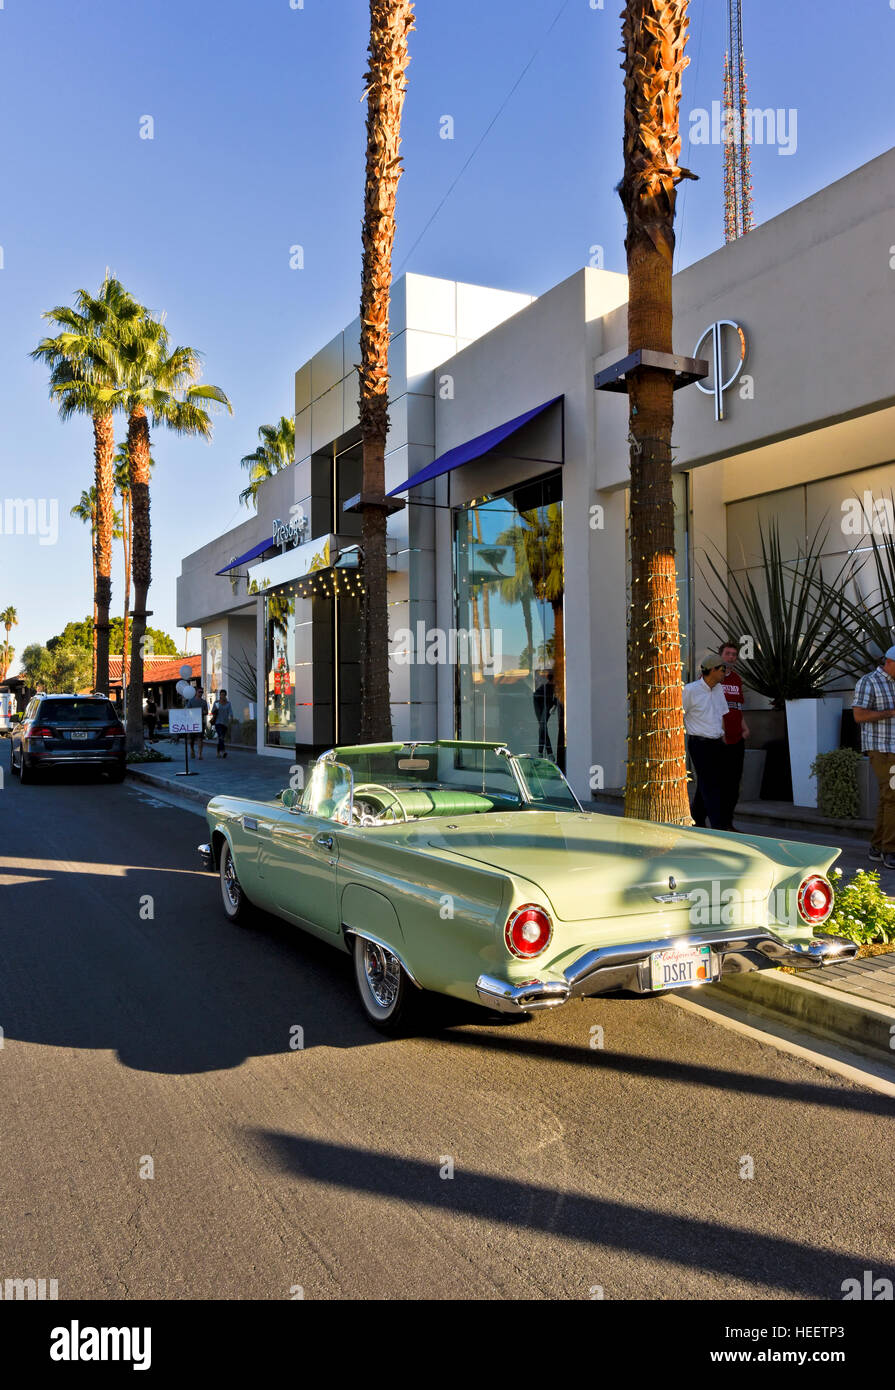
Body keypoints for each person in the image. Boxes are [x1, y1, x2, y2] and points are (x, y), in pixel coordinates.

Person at [691, 641, 751, 831]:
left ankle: (725, 822)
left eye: (734, 654)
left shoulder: (735, 680)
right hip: (712, 739)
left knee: (731, 782)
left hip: (733, 737)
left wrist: (744, 728)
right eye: (728, 654)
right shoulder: (708, 682)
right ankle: (706, 820)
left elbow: (735, 708)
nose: (731, 657)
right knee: (711, 781)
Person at [852, 646, 895, 869]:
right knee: (893, 797)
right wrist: (890, 712)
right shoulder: (869, 682)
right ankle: (890, 850)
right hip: (882, 748)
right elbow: (858, 715)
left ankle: (878, 847)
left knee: (889, 797)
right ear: (889, 662)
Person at [682, 651, 730, 831]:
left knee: (710, 782)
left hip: (717, 742)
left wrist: (723, 737)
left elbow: (722, 714)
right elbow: (679, 714)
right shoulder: (690, 690)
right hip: (699, 743)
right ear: (712, 670)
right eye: (722, 670)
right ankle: (719, 825)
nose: (724, 673)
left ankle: (697, 819)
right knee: (711, 784)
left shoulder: (719, 689)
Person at [187, 685, 208, 761]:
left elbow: (206, 712)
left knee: (200, 739)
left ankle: (200, 754)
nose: (201, 693)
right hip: (192, 722)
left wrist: (203, 712)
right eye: (199, 692)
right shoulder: (191, 701)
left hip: (200, 722)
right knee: (191, 740)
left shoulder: (204, 702)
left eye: (202, 692)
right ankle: (192, 750)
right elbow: (187, 710)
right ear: (196, 692)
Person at [211, 689, 233, 759]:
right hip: (218, 722)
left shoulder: (228, 703)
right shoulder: (216, 703)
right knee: (220, 736)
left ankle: (218, 753)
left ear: (225, 695)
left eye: (223, 695)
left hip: (225, 723)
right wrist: (215, 710)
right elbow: (212, 711)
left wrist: (231, 719)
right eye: (221, 694)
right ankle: (223, 751)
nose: (222, 696)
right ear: (220, 695)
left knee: (221, 738)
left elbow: (230, 712)